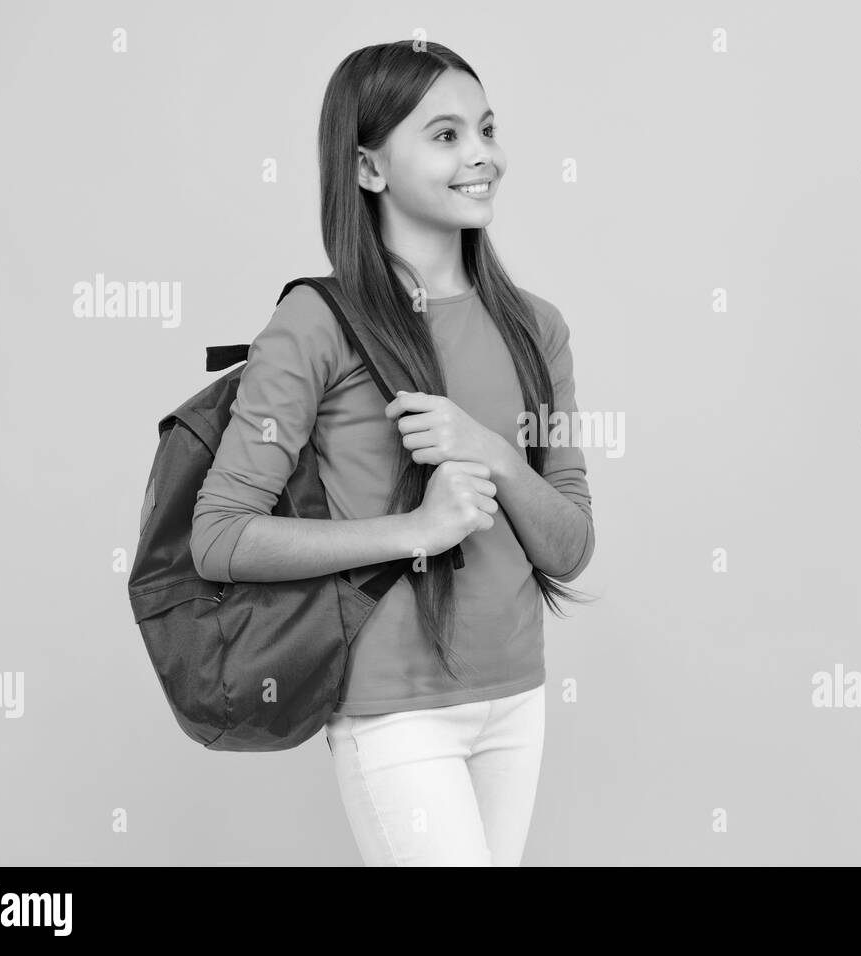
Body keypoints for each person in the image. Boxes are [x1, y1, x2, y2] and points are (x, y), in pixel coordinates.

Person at [189, 40, 595, 866]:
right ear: (369, 168)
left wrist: (491, 453)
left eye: (485, 128)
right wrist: (415, 529)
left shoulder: (536, 329)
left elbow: (572, 544)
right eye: (445, 135)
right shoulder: (316, 323)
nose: (483, 154)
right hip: (393, 711)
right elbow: (220, 537)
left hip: (517, 699)